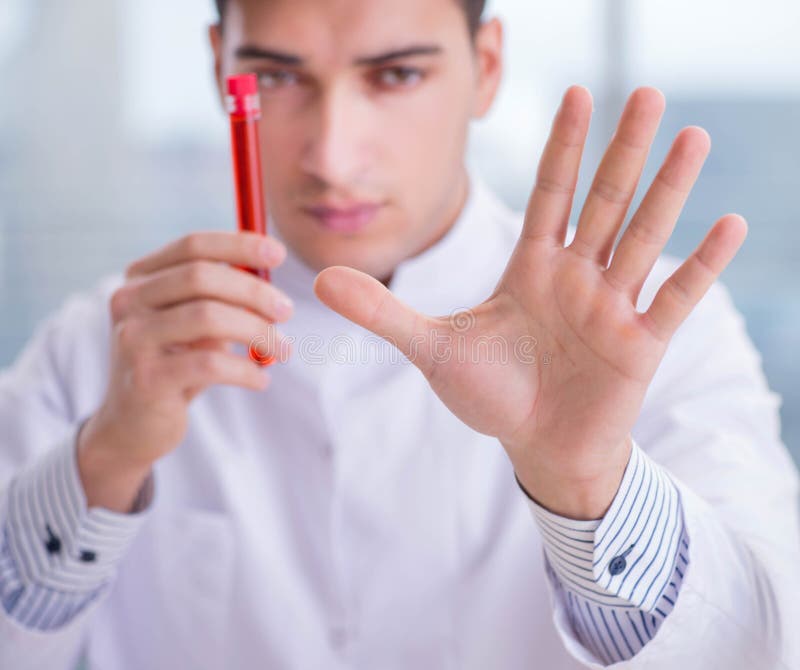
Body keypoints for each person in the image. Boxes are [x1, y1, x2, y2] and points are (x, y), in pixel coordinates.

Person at [1, 0, 798, 668]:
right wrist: (103, 464)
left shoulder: (647, 331)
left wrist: (590, 485)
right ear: (221, 68)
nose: (331, 157)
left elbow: (761, 649)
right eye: (278, 76)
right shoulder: (107, 347)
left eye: (397, 74)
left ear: (487, 66)